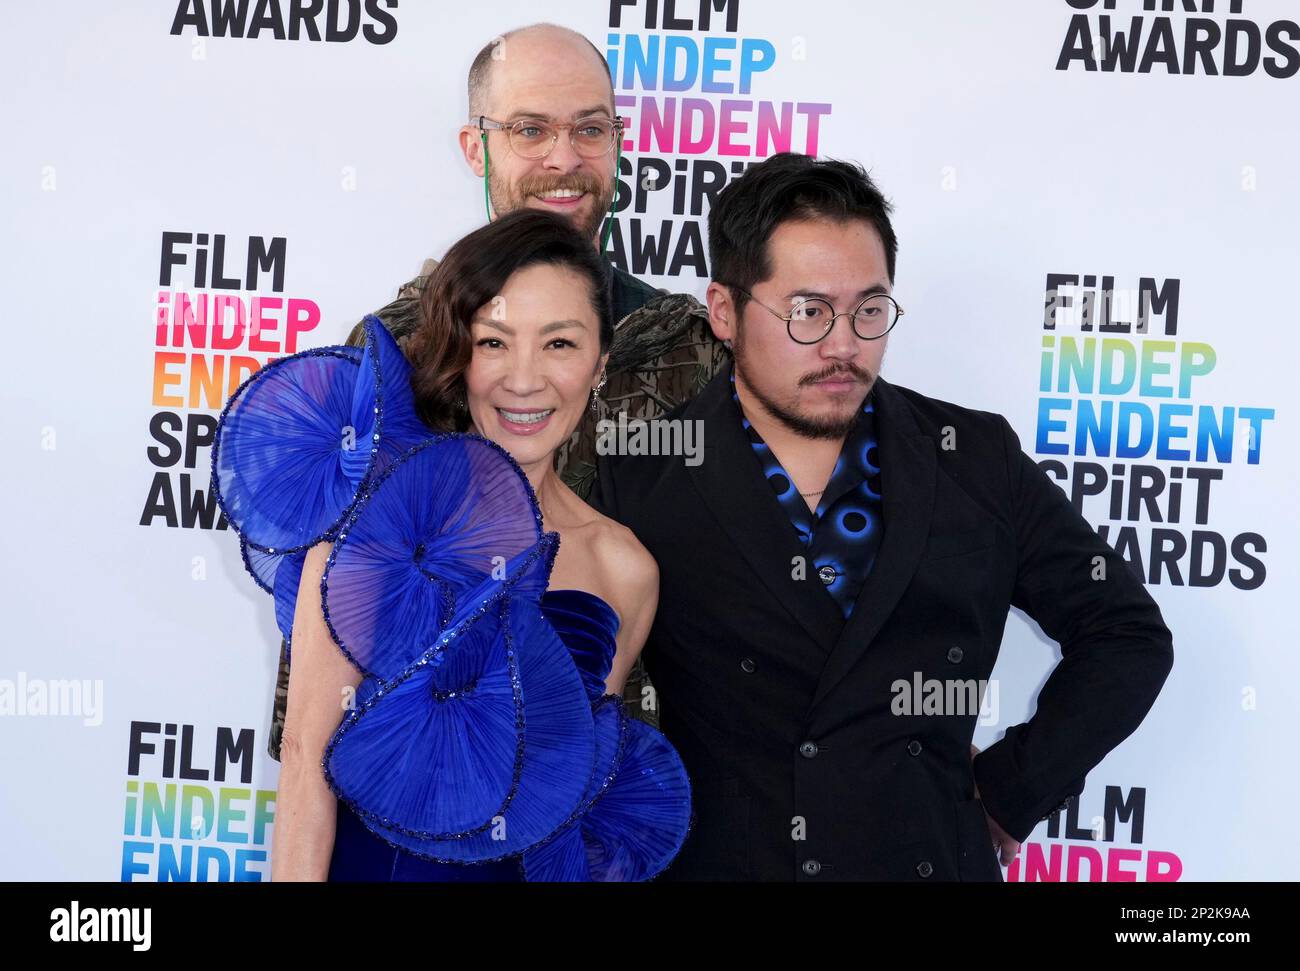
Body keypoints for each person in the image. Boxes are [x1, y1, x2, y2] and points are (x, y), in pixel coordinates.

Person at [589, 153, 1175, 881]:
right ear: (724, 312)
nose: (843, 344)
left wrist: (1010, 789)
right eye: (807, 311)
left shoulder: (973, 458)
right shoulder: (643, 476)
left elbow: (1126, 635)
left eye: (870, 309)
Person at [260, 22, 723, 760]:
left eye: (590, 129)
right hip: (412, 796)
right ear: (476, 148)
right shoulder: (394, 354)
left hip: (616, 819)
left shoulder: (693, 354)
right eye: (530, 129)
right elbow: (327, 624)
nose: (563, 158)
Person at [213, 209, 689, 881]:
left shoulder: (625, 566)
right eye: (494, 342)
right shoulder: (373, 514)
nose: (523, 379)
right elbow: (304, 755)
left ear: (601, 362)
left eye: (559, 344)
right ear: (459, 353)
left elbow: (565, 805)